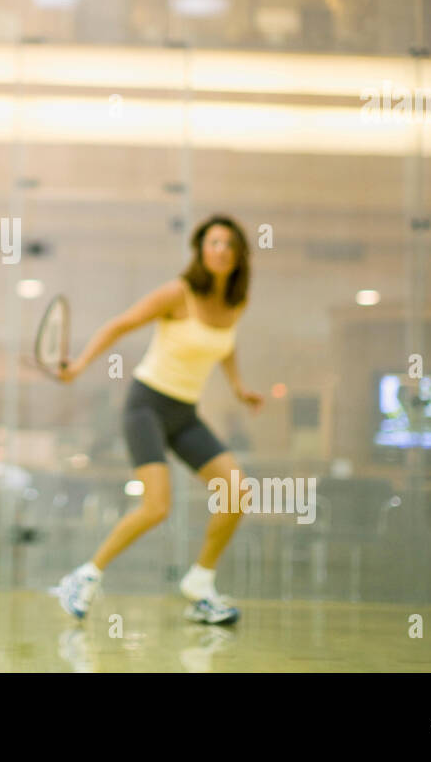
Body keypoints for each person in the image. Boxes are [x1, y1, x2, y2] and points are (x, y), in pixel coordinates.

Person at [55, 215, 263, 625]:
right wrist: (79, 366)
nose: (219, 250)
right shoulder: (177, 294)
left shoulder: (237, 302)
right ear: (201, 250)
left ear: (238, 255)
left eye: (228, 245)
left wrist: (238, 387)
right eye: (212, 243)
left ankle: (200, 584)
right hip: (146, 405)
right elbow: (121, 324)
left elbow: (224, 346)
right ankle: (83, 576)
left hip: (185, 413)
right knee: (157, 507)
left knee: (236, 492)